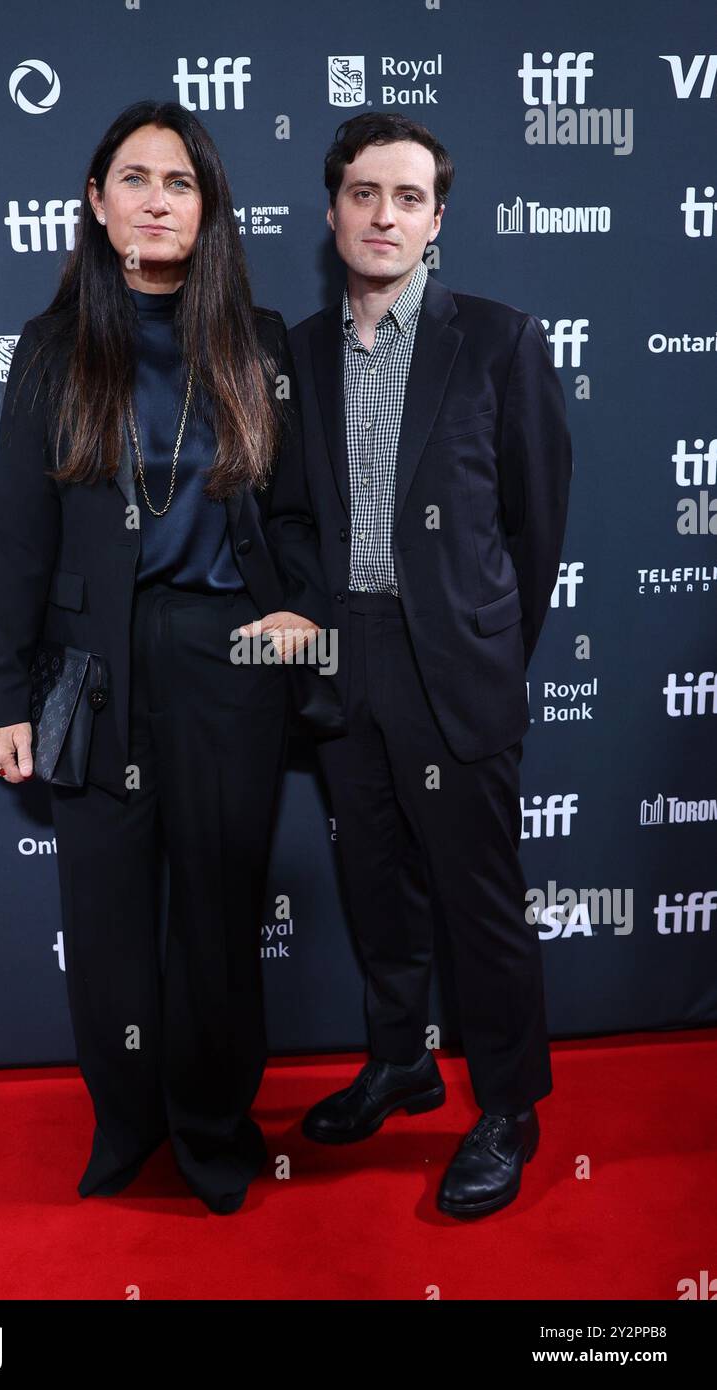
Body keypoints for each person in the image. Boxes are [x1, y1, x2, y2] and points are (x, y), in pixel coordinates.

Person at [0, 100, 344, 1216]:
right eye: (132, 178)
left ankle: (213, 1131)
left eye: (178, 182)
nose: (154, 199)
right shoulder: (50, 349)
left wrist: (301, 612)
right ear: (95, 203)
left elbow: (293, 516)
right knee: (106, 914)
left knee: (220, 914)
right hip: (91, 666)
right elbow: (12, 535)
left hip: (225, 656)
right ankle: (126, 1124)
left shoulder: (258, 342)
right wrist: (3, 696)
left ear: (206, 207)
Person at [287, 112, 573, 1218]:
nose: (382, 215)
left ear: (436, 220)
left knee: (478, 900)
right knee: (377, 886)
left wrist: (482, 644)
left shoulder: (497, 339)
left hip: (452, 666)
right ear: (331, 210)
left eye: (407, 198)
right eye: (362, 194)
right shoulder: (299, 353)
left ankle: (507, 1107)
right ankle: (400, 1060)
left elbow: (533, 528)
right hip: (343, 663)